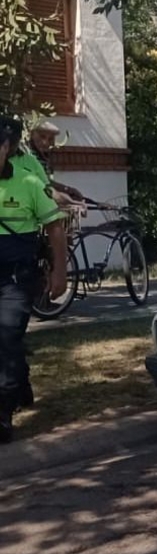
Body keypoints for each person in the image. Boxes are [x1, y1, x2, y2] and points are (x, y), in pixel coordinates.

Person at [0, 117, 68, 443]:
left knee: (7, 336)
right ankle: (20, 383)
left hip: (16, 277)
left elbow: (55, 227)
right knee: (7, 342)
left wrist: (59, 272)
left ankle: (2, 410)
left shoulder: (28, 180)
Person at [28, 120, 85, 207]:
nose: (45, 143)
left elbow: (46, 181)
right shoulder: (28, 156)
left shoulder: (42, 156)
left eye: (50, 139)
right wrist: (70, 200)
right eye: (42, 137)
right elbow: (42, 185)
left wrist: (66, 189)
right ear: (32, 135)